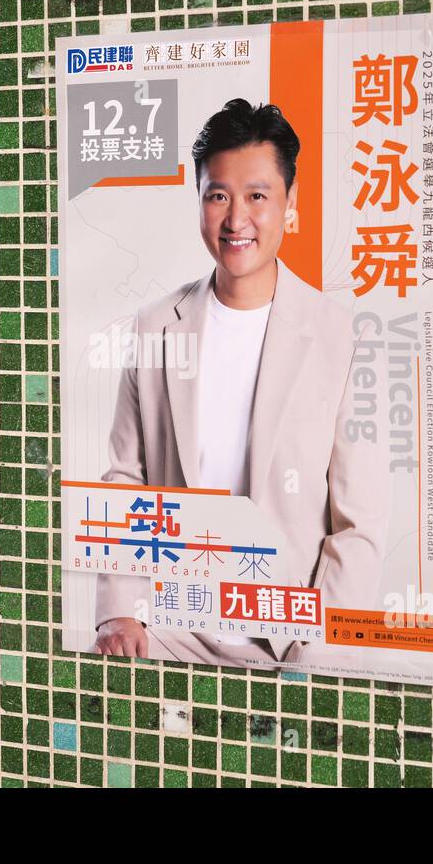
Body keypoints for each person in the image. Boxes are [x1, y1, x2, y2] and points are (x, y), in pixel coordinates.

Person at [91, 98, 391, 669]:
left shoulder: (341, 337)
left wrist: (318, 651)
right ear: (199, 202)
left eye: (257, 196)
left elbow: (360, 523)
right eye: (217, 195)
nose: (236, 219)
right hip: (172, 622)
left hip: (291, 638)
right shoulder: (157, 325)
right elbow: (126, 481)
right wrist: (120, 610)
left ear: (290, 205)